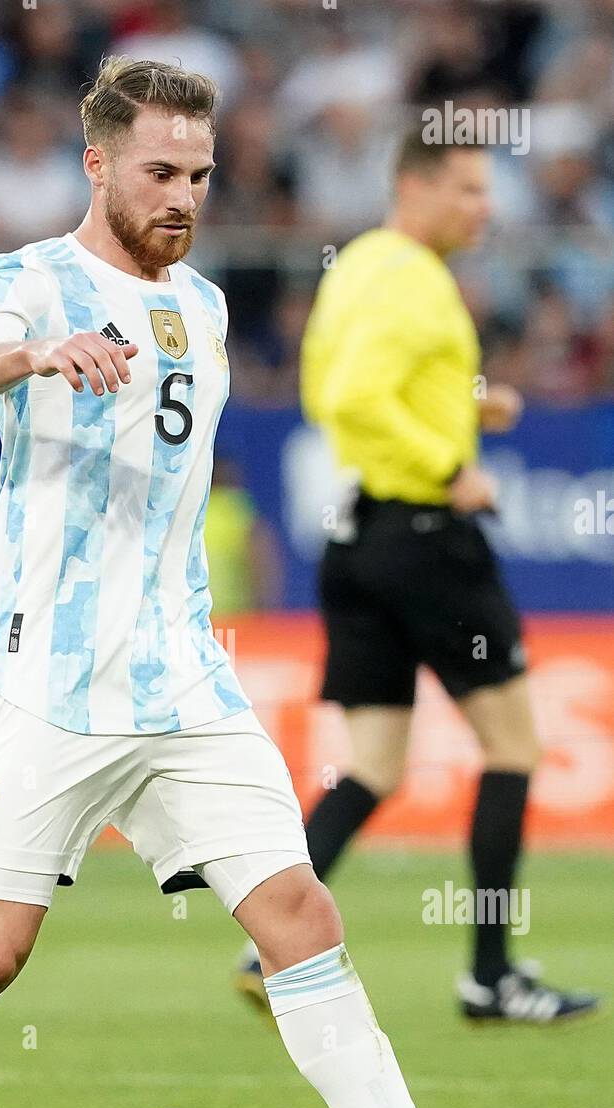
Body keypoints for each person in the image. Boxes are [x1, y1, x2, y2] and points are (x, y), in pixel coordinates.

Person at [0, 61, 567, 1108]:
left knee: (296, 909)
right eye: (158, 173)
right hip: (47, 679)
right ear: (97, 164)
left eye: (196, 174)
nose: (181, 195)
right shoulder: (24, 281)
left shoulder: (210, 306)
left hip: (183, 676)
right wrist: (35, 355)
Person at [240, 129, 599, 1025]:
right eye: (471, 189)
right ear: (417, 186)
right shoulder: (415, 277)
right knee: (513, 748)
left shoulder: (359, 265)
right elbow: (359, 396)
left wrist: (473, 406)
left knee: (371, 764)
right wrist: (449, 468)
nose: (488, 207)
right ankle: (491, 975)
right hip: (428, 536)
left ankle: (267, 942)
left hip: (360, 537)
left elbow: (337, 387)